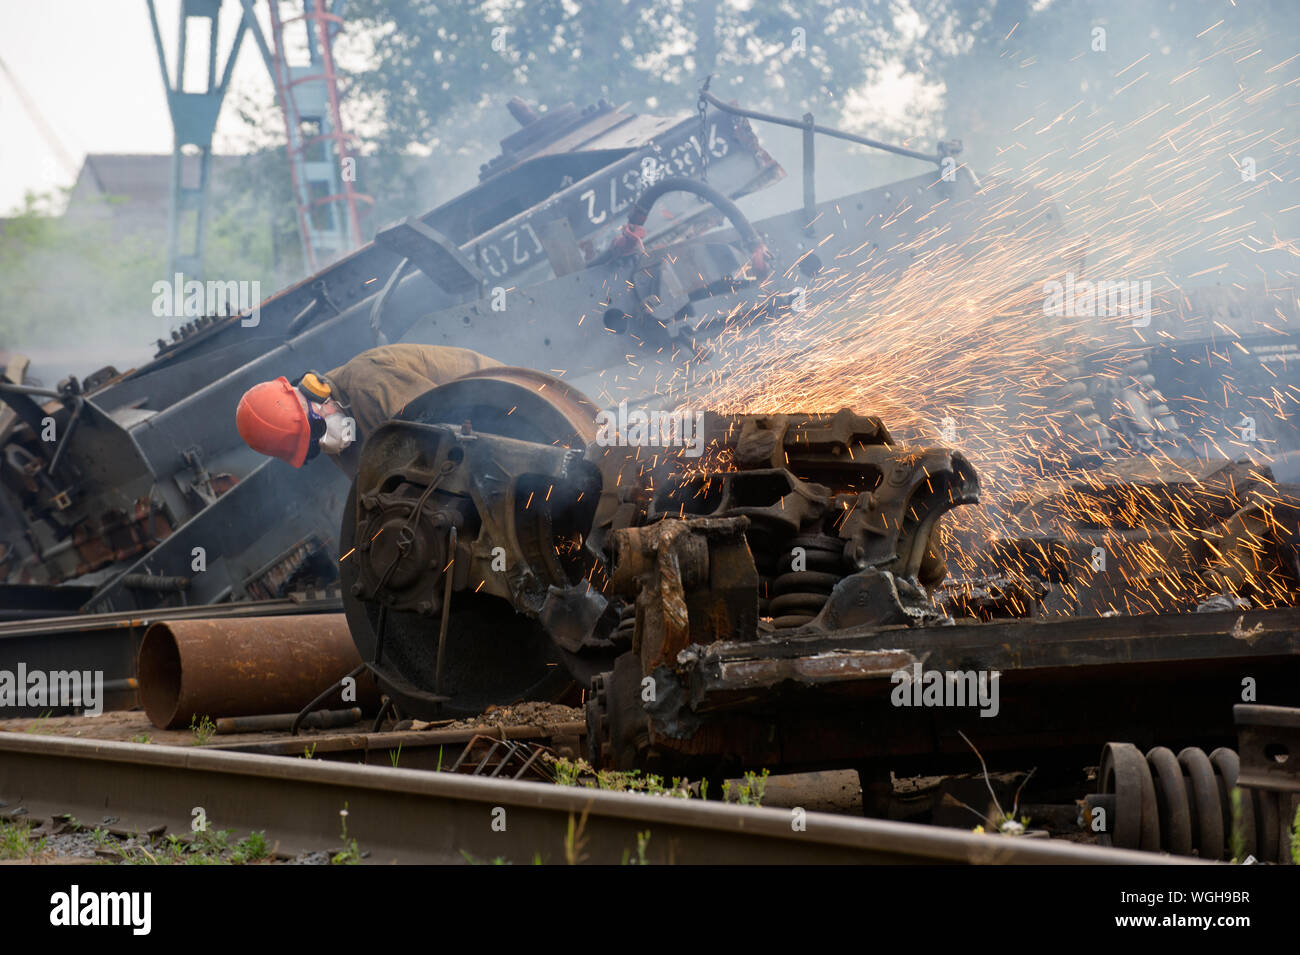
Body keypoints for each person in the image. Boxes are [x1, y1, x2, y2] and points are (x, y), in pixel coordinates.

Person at [235, 343, 501, 476]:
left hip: (502, 410)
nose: (325, 441)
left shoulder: (367, 385)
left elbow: (446, 440)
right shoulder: (340, 438)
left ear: (314, 389)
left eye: (317, 428)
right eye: (314, 447)